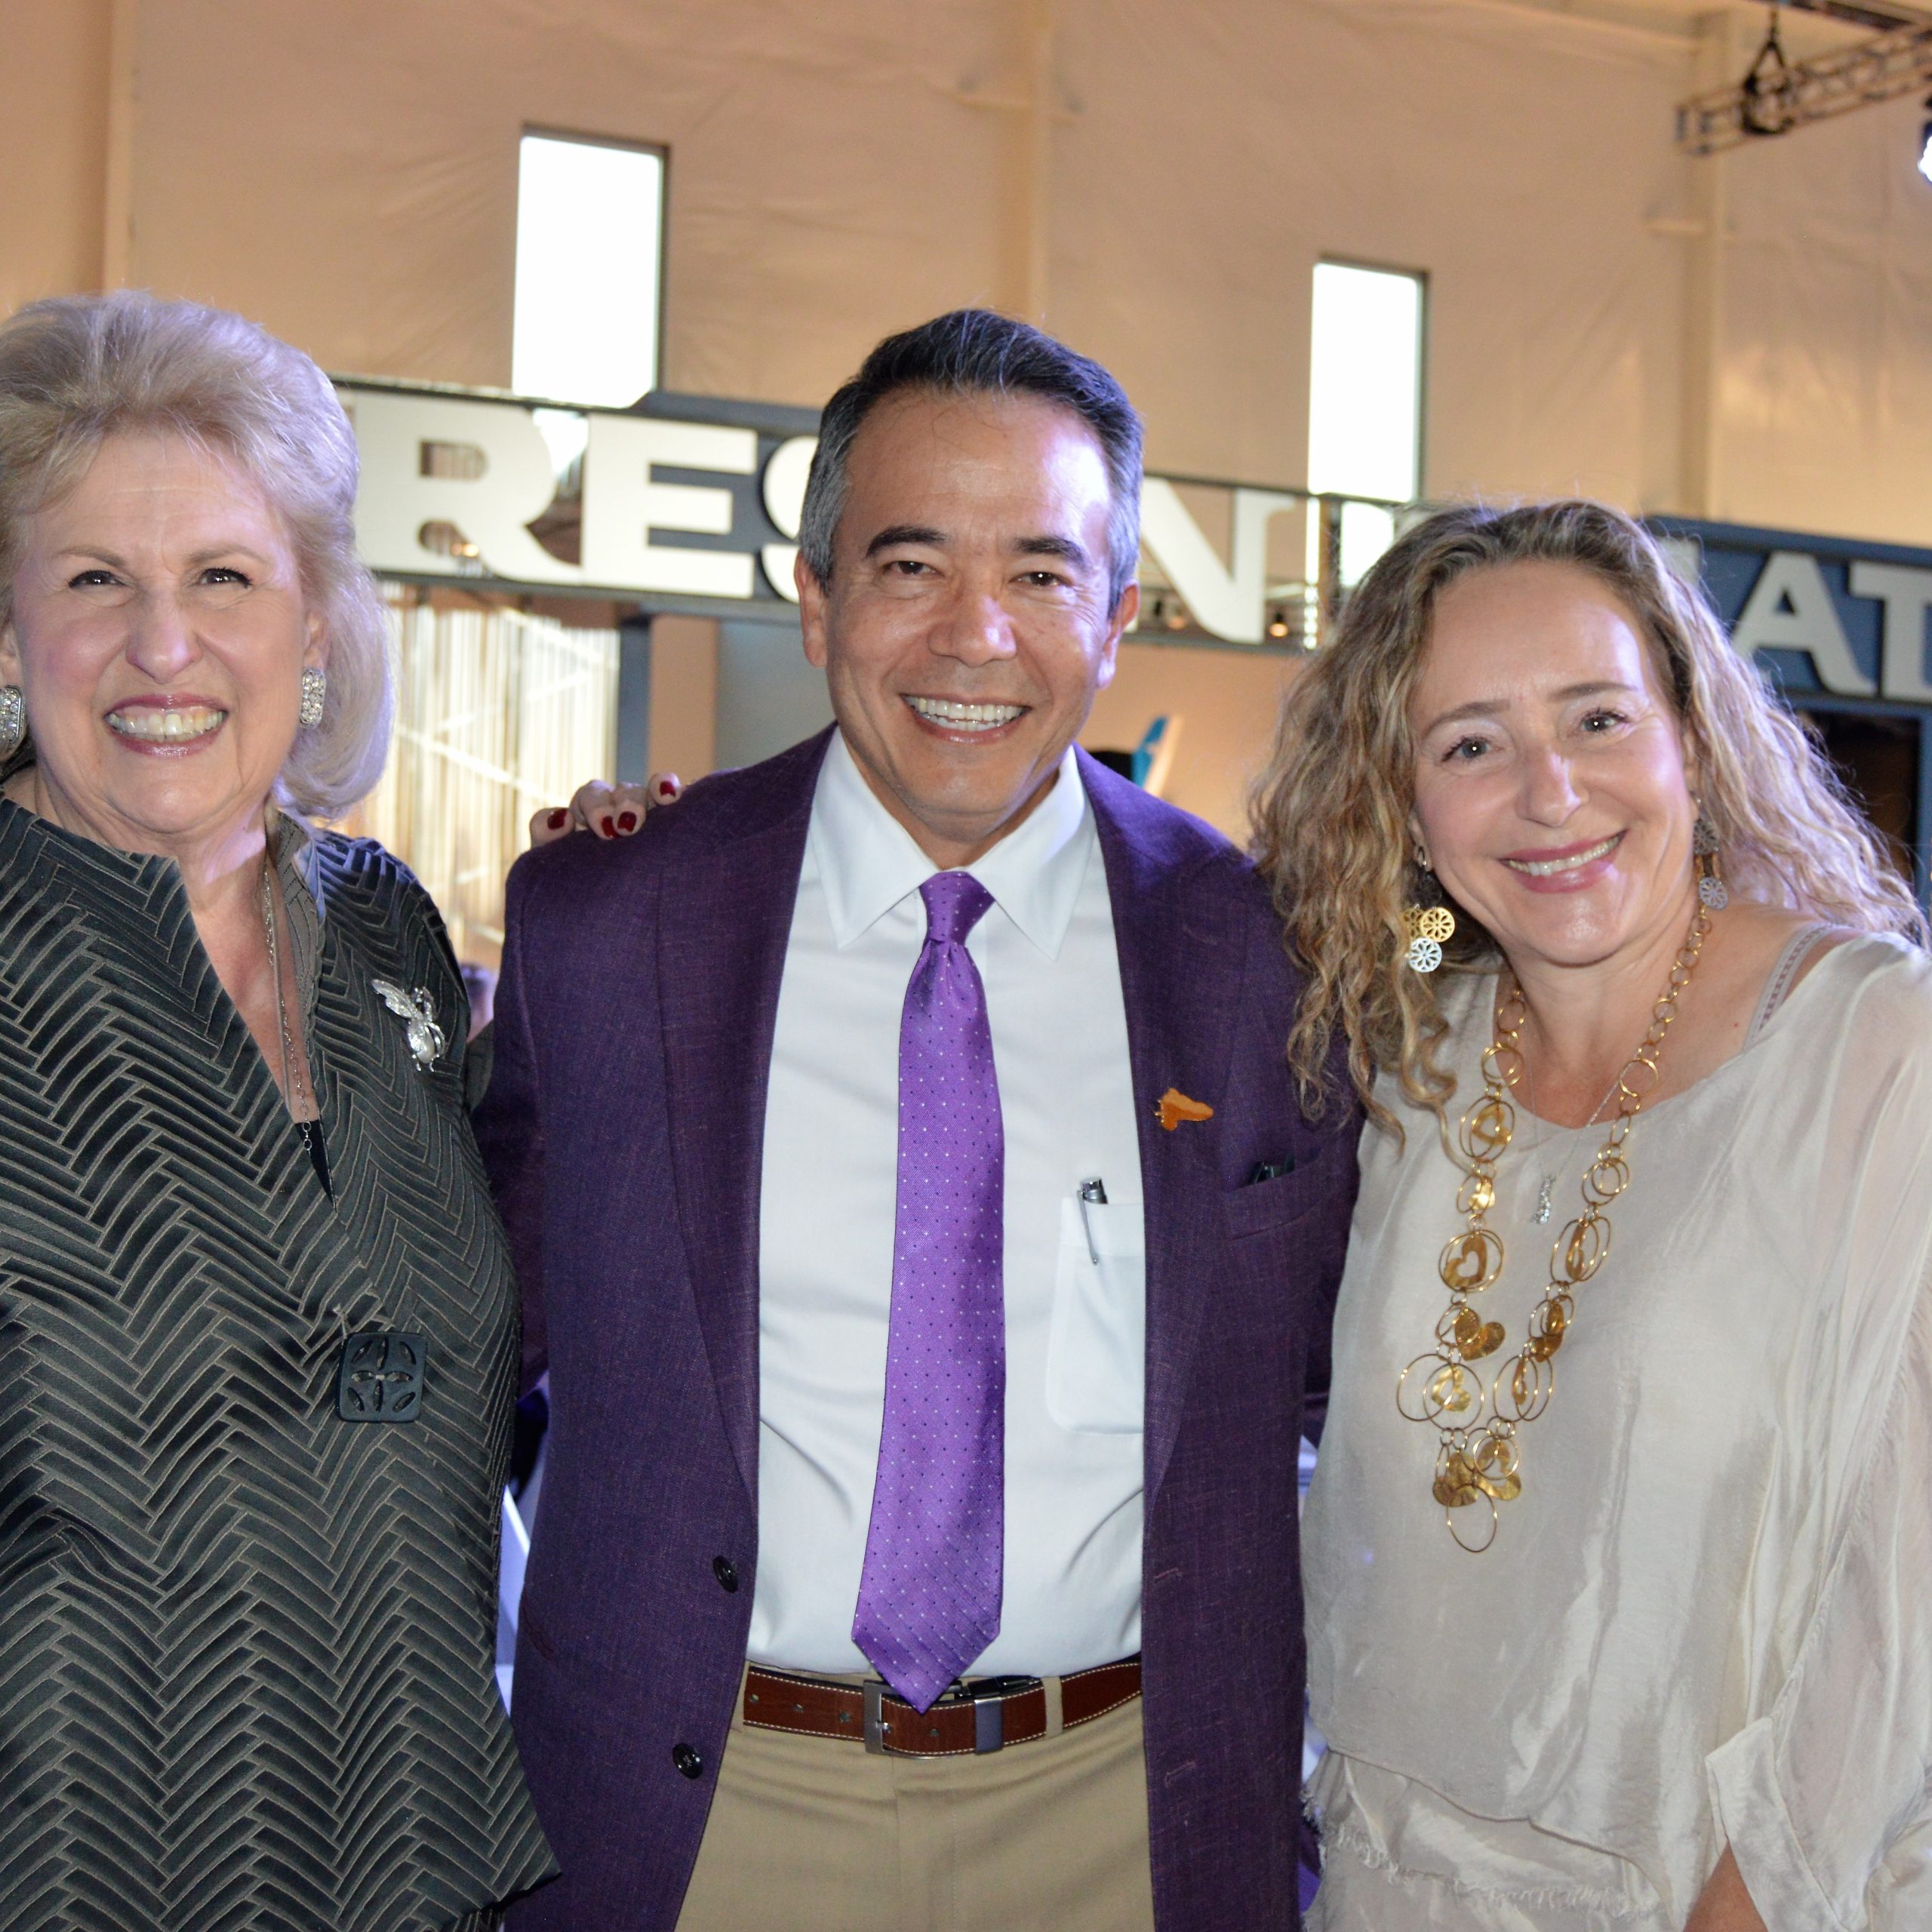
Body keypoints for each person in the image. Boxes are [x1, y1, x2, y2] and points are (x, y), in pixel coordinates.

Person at [472, 308, 1360, 1932]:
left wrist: (1480, 900)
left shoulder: (1265, 950)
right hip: (704, 1808)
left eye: (1039, 570)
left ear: (1116, 617)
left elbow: (1355, 1372)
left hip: (1127, 1813)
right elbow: (463, 1357)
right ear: (812, 597)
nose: (975, 635)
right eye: (908, 567)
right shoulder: (607, 923)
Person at [1252, 500, 1932, 1930]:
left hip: (1726, 1892)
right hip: (1388, 1884)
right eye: (1472, 745)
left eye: (1600, 719)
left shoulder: (1877, 1055)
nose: (1551, 794)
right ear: (1405, 807)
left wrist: (1752, 1901)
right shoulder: (1404, 1061)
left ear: (1695, 737)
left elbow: (1907, 1593)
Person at [0, 291, 554, 1929]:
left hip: (417, 1862)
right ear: (13, 624)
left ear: (314, 624)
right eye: (96, 580)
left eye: (222, 578)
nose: (161, 648)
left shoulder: (386, 928)